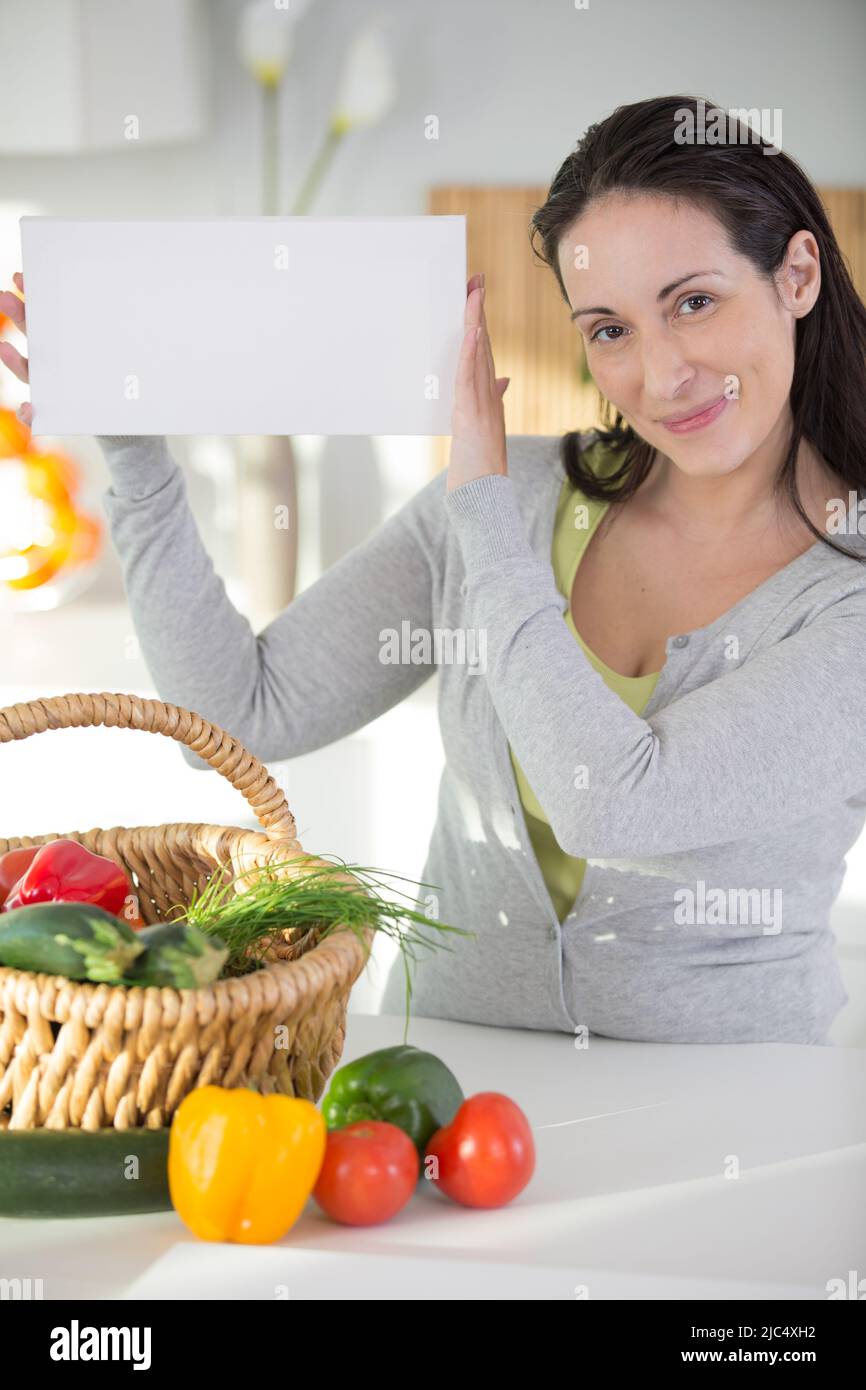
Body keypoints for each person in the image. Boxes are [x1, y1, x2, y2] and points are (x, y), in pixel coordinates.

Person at [3, 93, 866, 1045]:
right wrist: (133, 454)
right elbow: (239, 714)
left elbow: (612, 803)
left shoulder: (841, 596)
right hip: (442, 1084)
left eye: (693, 303)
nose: (660, 376)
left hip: (733, 1111)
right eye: (610, 329)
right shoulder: (516, 495)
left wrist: (482, 510)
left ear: (796, 274)